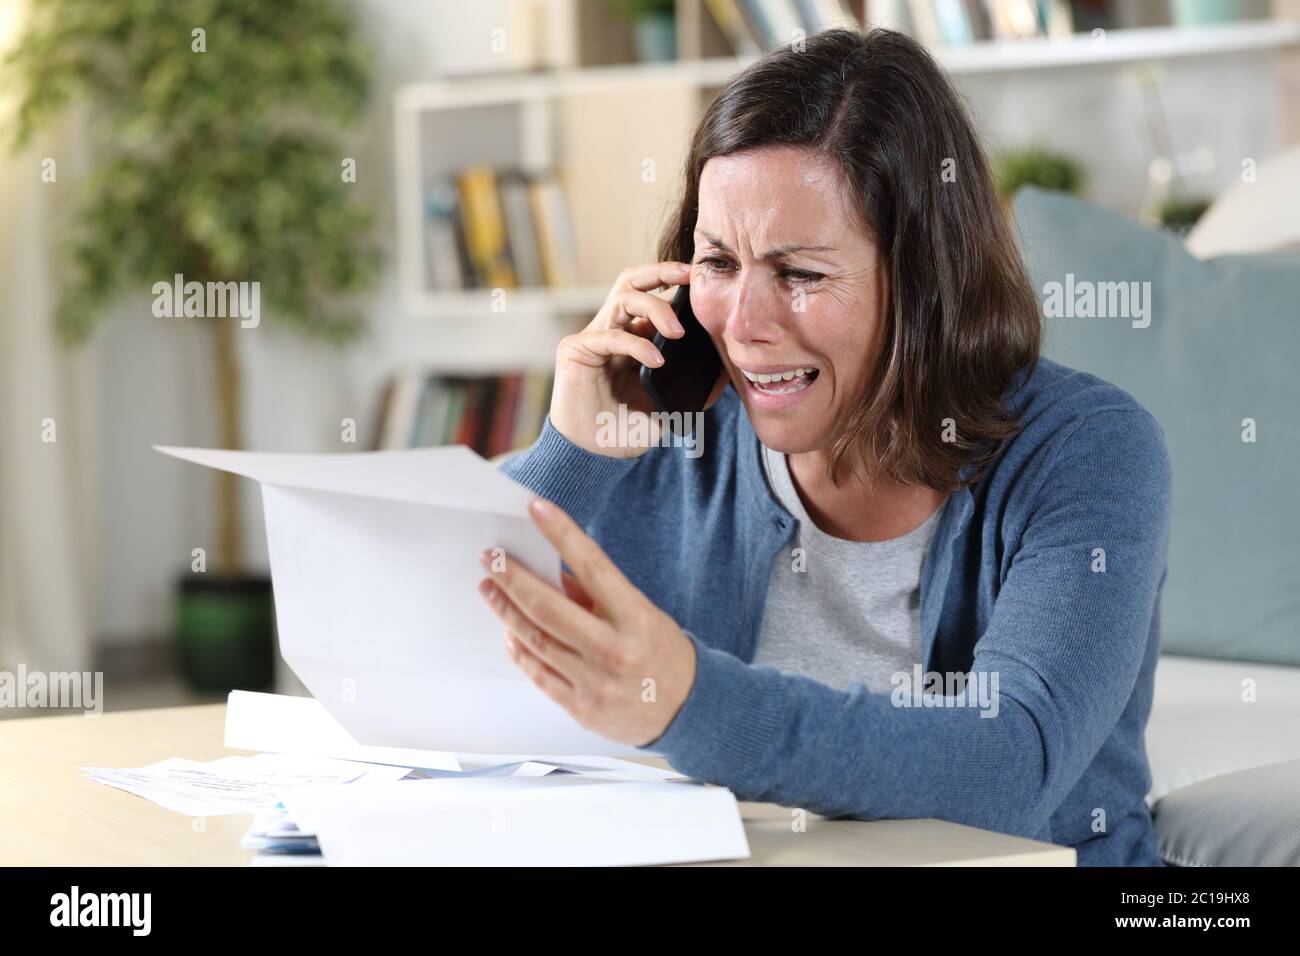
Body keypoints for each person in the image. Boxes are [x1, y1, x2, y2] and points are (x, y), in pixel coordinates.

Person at [476, 28, 1171, 867]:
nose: (743, 325)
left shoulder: (1088, 449)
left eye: (800, 274)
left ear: (921, 281)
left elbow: (1010, 763)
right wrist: (575, 450)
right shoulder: (666, 425)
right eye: (718, 262)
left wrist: (691, 701)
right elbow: (444, 643)